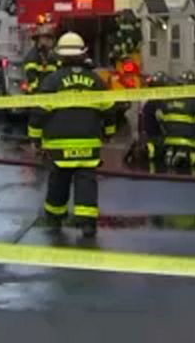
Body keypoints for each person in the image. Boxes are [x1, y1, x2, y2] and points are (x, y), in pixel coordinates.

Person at [35, 32, 114, 238]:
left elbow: (39, 111)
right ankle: (87, 223)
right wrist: (108, 132)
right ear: (82, 53)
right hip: (88, 142)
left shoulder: (53, 80)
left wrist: (35, 138)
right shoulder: (95, 80)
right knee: (86, 180)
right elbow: (109, 109)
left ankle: (54, 218)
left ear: (59, 55)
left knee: (59, 180)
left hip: (59, 145)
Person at [152, 71, 195, 173]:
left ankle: (171, 152)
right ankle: (190, 157)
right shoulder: (194, 102)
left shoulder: (168, 100)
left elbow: (161, 120)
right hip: (189, 142)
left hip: (169, 140)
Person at [23, 16, 60, 141]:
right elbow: (32, 82)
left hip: (52, 99)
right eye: (46, 38)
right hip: (40, 99)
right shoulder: (32, 58)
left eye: (51, 38)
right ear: (39, 40)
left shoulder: (52, 56)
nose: (50, 41)